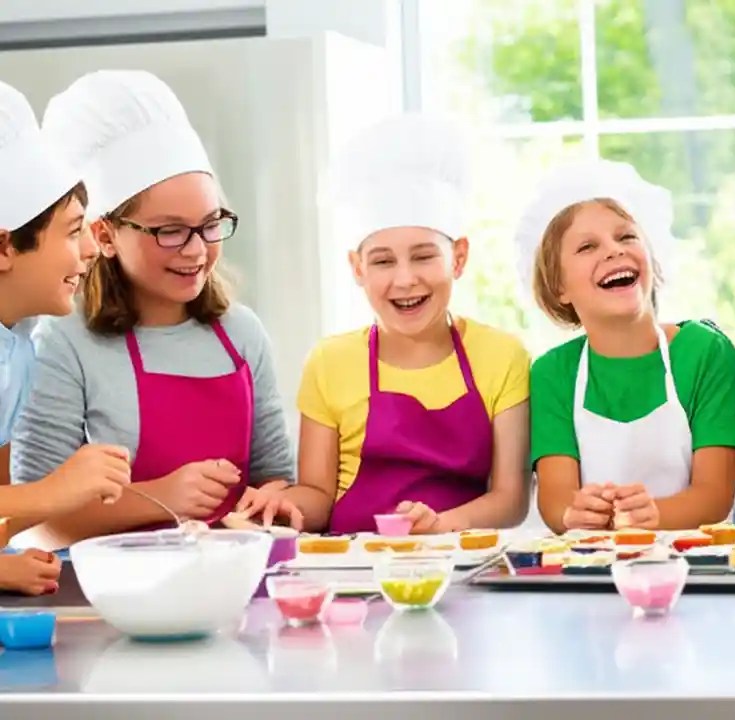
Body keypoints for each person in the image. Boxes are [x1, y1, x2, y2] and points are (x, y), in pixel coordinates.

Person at [11, 70, 299, 548]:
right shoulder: (64, 342)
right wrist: (160, 497)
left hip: (236, 582)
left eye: (209, 225)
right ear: (104, 235)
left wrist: (274, 502)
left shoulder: (242, 333)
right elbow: (34, 522)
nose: (196, 250)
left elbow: (276, 480)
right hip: (105, 593)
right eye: (169, 230)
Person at [285, 114, 531, 534]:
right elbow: (317, 496)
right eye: (382, 261)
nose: (405, 279)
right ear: (357, 268)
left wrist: (440, 526)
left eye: (423, 256)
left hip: (459, 563)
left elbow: (510, 500)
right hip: (352, 564)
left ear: (459, 257)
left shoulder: (502, 356)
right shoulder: (330, 361)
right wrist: (281, 506)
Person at [519, 160, 735, 533]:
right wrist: (574, 514)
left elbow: (714, 496)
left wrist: (651, 516)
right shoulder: (553, 373)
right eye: (588, 246)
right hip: (592, 573)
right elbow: (556, 498)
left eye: (626, 237)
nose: (613, 251)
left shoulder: (704, 351)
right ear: (559, 287)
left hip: (693, 570)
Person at [0, 80, 128, 594]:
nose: (91, 252)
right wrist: (53, 492)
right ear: (5, 248)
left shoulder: (21, 346)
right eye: (73, 232)